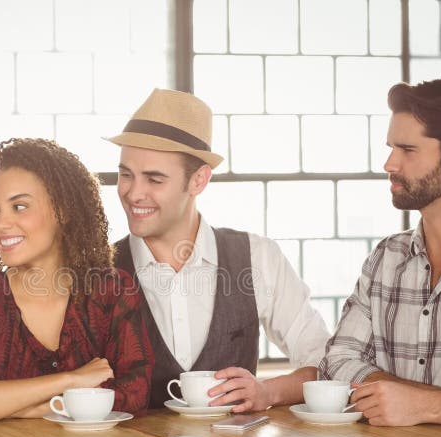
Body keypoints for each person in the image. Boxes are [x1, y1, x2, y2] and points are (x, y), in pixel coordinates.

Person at [318, 75, 441, 431]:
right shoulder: (386, 258)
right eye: (391, 148)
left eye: (407, 150)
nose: (389, 164)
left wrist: (423, 405)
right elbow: (338, 360)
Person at [106, 88, 330, 412]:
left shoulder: (258, 258)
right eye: (126, 175)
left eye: (154, 179)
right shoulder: (98, 270)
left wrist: (268, 392)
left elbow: (326, 363)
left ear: (198, 180)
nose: (133, 193)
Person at [0, 138, 153, 421]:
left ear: (63, 210)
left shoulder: (112, 292)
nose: (0, 224)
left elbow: (133, 395)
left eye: (19, 207)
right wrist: (71, 380)